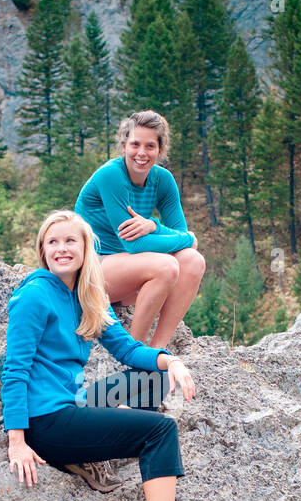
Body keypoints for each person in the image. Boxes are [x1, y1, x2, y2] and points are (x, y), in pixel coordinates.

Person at [2, 210, 206, 501]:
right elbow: (14, 369)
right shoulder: (34, 296)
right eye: (53, 242)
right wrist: (16, 440)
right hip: (47, 422)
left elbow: (127, 349)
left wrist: (171, 360)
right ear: (42, 251)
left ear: (85, 249)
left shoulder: (88, 295)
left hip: (75, 404)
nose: (61, 248)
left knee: (154, 380)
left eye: (70, 241)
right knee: (160, 431)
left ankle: (88, 455)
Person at [73, 109, 205, 349]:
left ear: (160, 150)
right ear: (124, 145)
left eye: (150, 146)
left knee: (193, 261)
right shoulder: (111, 175)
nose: (141, 153)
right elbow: (135, 244)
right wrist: (184, 238)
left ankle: (156, 351)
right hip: (90, 270)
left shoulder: (163, 180)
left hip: (126, 272)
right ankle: (132, 353)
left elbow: (180, 234)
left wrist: (153, 225)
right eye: (135, 144)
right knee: (166, 266)